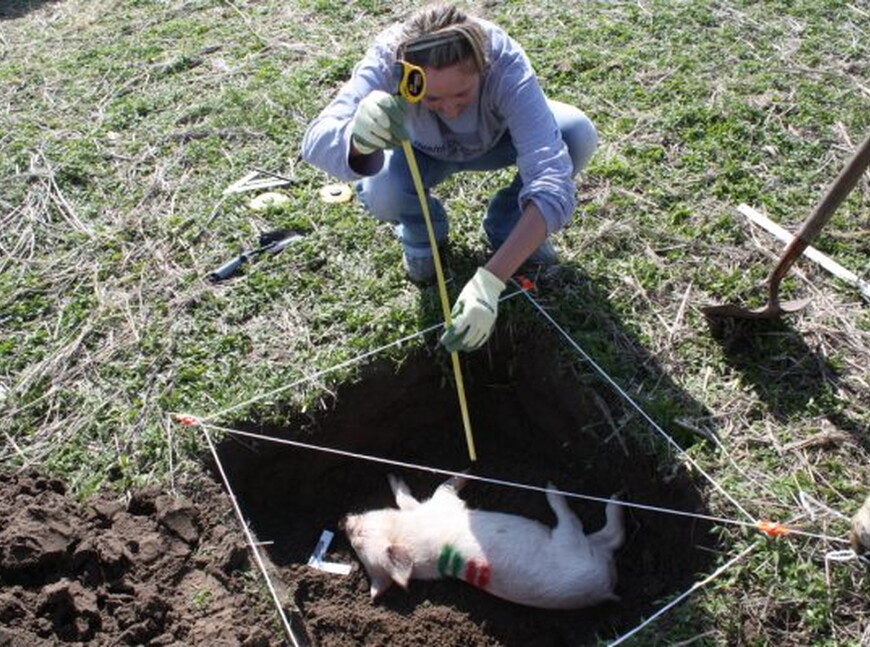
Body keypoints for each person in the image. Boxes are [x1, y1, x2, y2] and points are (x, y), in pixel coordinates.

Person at [302, 3, 598, 352]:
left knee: (575, 134)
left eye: (462, 93)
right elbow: (314, 142)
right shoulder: (388, 60)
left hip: (497, 143)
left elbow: (551, 177)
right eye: (432, 98)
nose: (451, 108)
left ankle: (508, 226)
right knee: (383, 191)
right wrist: (358, 137)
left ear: (481, 67)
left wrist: (491, 281)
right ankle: (422, 235)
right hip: (422, 155)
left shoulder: (501, 59)